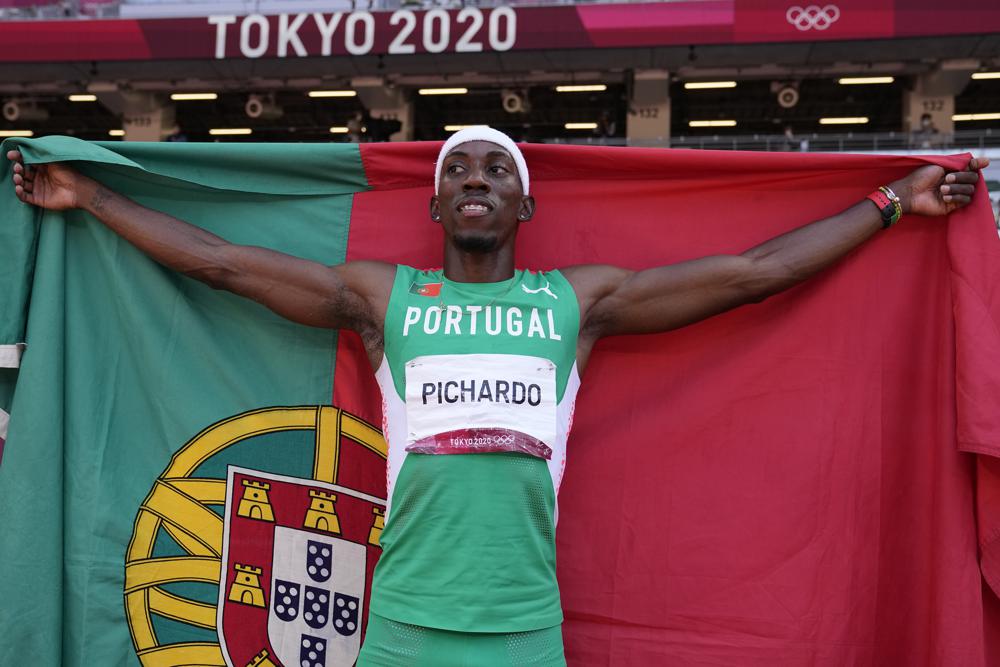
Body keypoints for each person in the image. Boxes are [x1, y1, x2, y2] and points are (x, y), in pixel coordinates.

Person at [6, 127, 989, 666]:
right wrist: (91, 198)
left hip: (522, 625)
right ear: (435, 206)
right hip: (400, 624)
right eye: (457, 170)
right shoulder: (384, 297)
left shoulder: (578, 302)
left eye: (498, 170)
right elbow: (221, 263)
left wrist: (889, 203)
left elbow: (748, 272)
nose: (476, 179)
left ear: (525, 205)